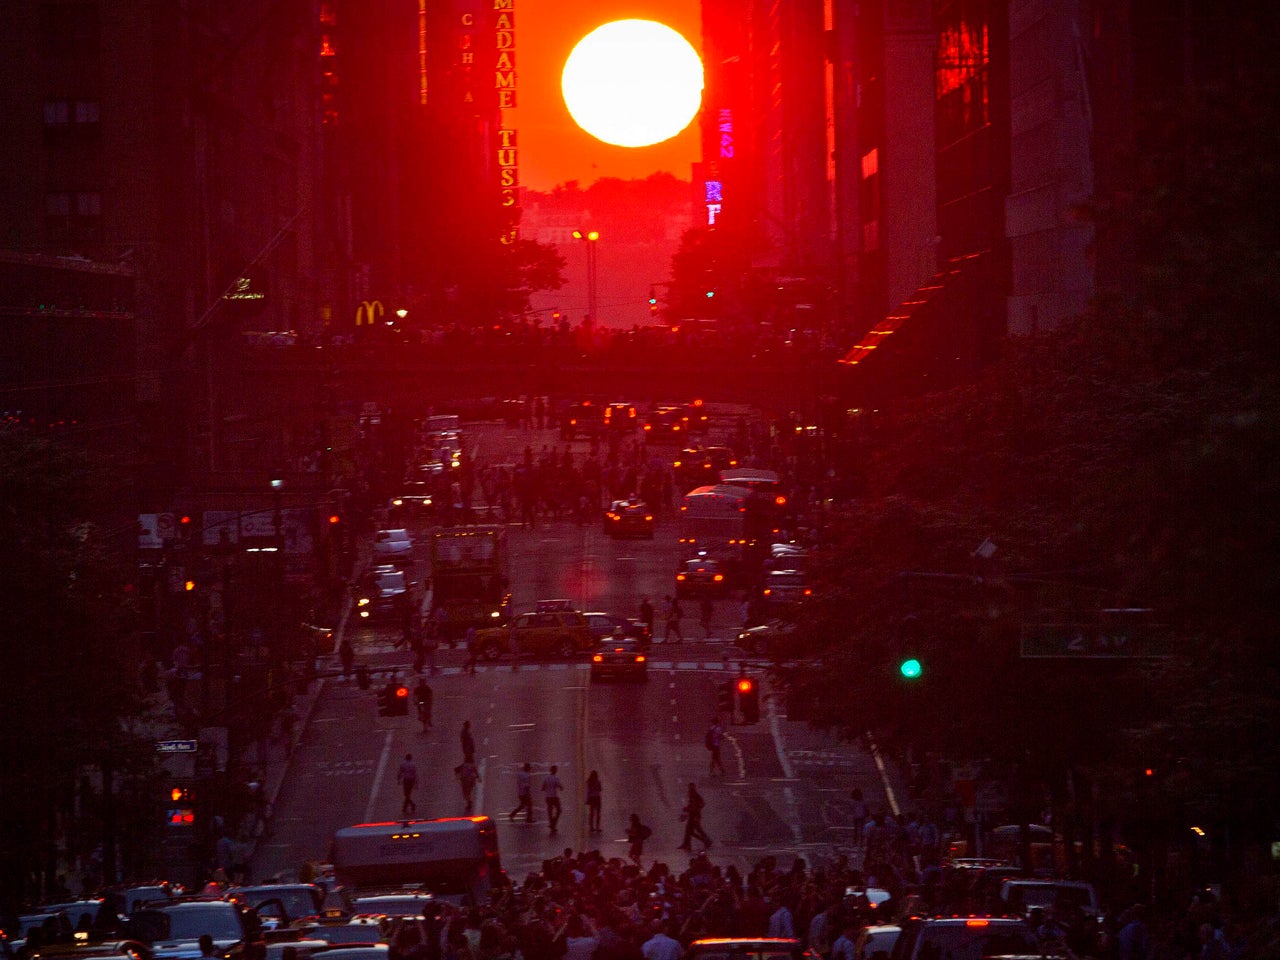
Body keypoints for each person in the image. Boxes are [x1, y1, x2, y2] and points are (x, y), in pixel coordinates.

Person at [678, 782, 711, 850]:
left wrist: (690, 809)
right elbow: (697, 805)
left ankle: (706, 841)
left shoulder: (695, 796)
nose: (689, 790)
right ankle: (687, 844)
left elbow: (699, 805)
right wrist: (688, 808)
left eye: (690, 788)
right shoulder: (693, 795)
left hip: (694, 816)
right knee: (690, 831)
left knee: (693, 831)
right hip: (693, 815)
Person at [542, 763, 564, 832]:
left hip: (548, 797)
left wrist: (547, 789)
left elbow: (543, 787)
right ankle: (553, 823)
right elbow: (560, 787)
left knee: (550, 811)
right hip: (554, 796)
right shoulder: (556, 778)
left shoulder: (546, 778)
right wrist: (561, 787)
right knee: (559, 810)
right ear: (555, 771)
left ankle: (551, 823)